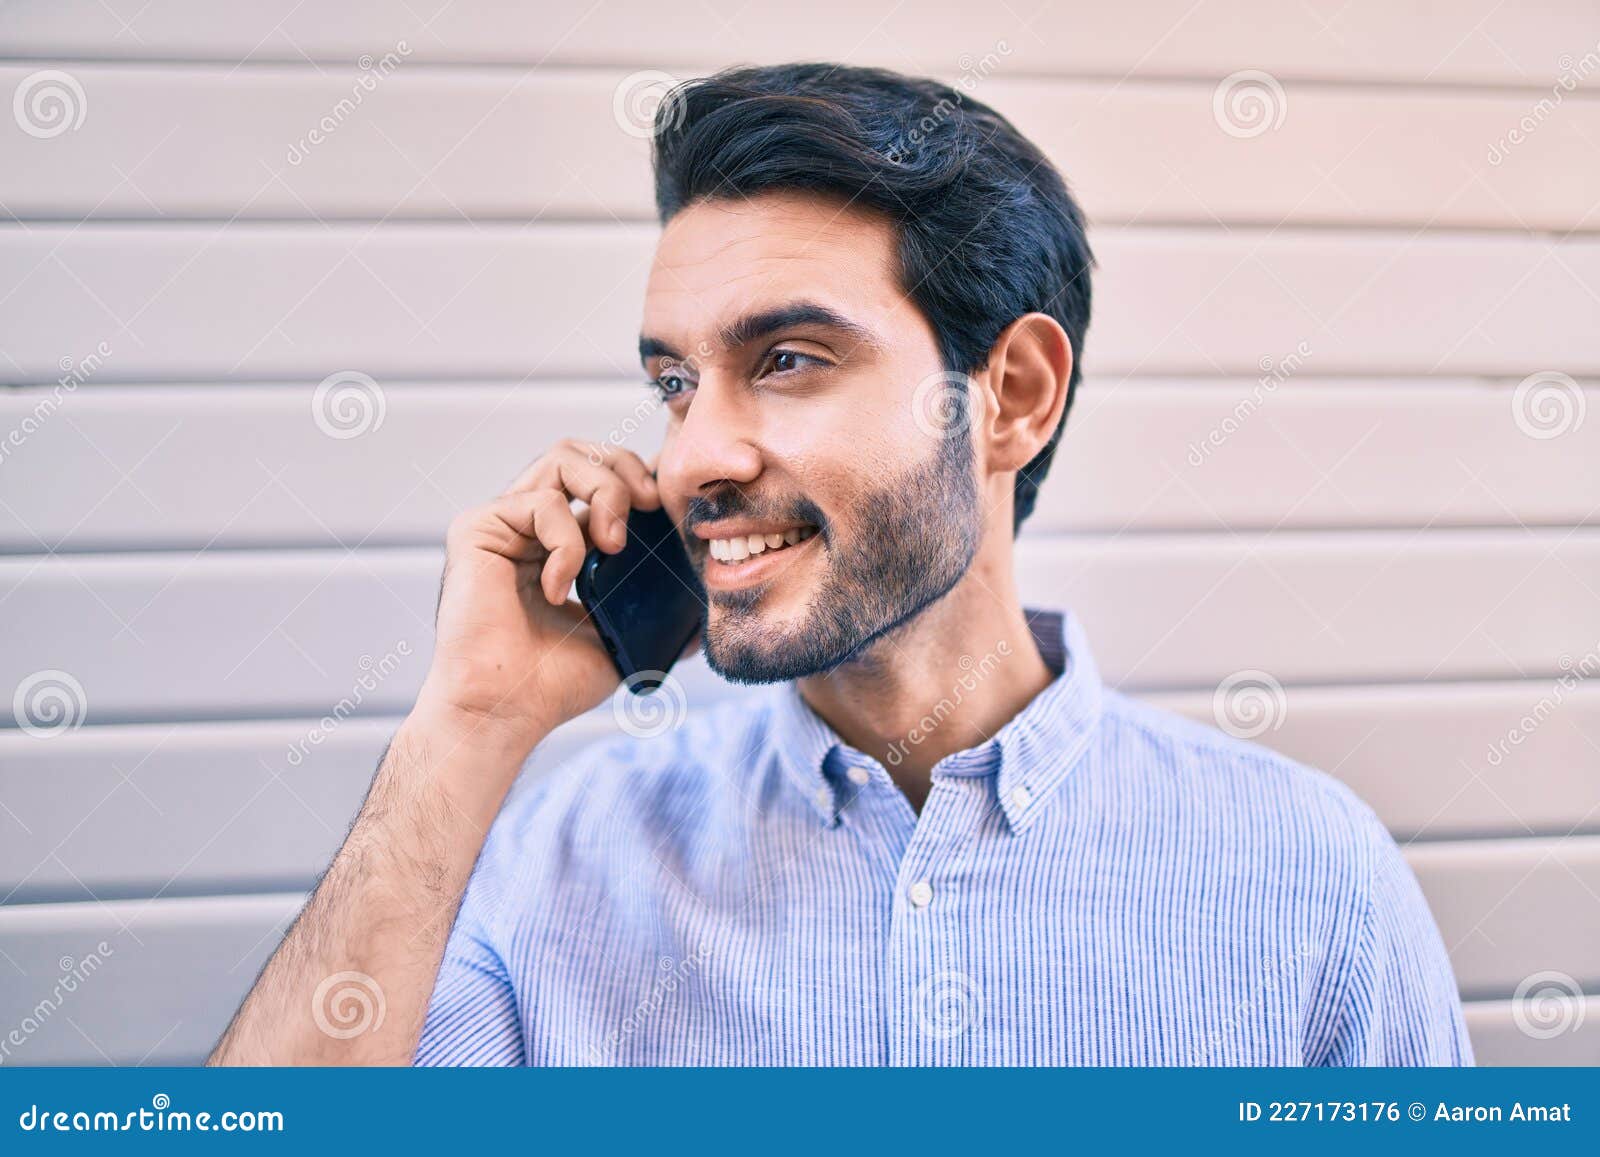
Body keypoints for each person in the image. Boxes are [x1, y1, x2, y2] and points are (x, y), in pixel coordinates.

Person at [209, 62, 1471, 1066]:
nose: (692, 455)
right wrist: (464, 730)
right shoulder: (563, 861)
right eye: (673, 381)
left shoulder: (1307, 877)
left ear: (1012, 396)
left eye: (789, 359)